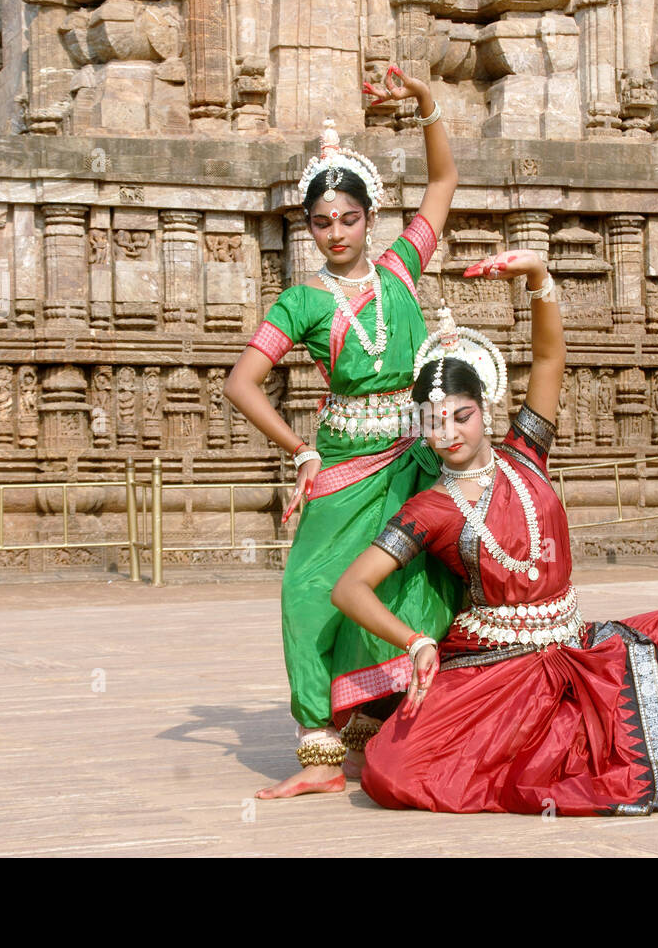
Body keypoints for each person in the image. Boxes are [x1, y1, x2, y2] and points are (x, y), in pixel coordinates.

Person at [330, 250, 658, 815]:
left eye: (460, 415)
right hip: (494, 668)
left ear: (484, 409)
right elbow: (349, 589)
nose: (447, 432)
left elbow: (549, 358)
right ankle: (600, 755)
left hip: (574, 646)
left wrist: (539, 278)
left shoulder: (527, 455)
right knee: (391, 772)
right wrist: (416, 641)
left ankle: (637, 747)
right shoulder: (430, 508)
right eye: (432, 421)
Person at [223, 66, 464, 799]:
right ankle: (320, 753)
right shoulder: (299, 301)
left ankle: (386, 722)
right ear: (310, 227)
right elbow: (240, 382)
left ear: (370, 218)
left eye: (347, 219)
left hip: (415, 454)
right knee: (307, 589)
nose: (335, 233)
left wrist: (426, 104)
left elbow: (444, 185)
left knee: (414, 585)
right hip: (341, 462)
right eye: (321, 222)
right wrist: (299, 449)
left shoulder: (401, 269)